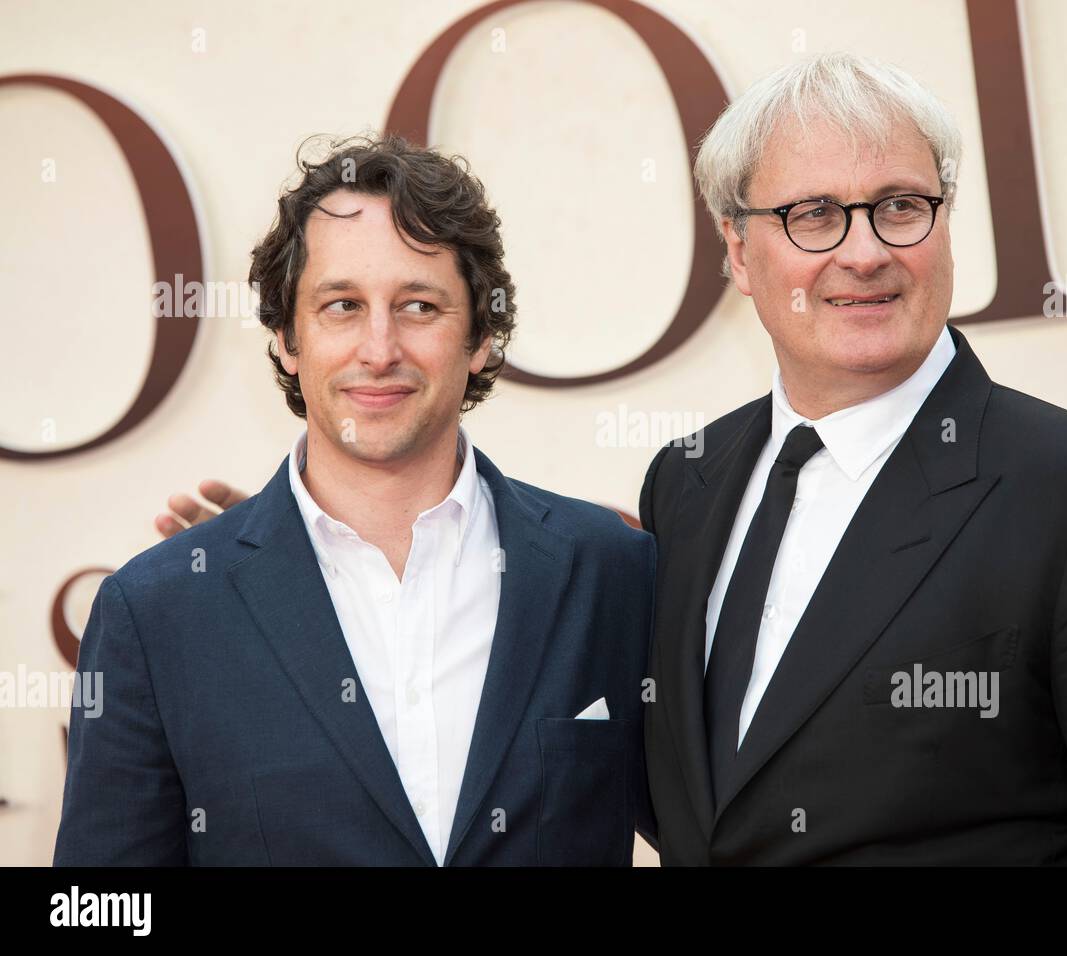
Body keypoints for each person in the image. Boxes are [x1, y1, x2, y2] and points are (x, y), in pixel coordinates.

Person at [638, 53, 1067, 865]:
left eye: (901, 207)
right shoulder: (687, 480)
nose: (865, 253)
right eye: (815, 215)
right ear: (737, 247)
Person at [54, 136, 655, 866]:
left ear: (481, 337)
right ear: (286, 338)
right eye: (342, 305)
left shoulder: (613, 573)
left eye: (419, 305)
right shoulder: (157, 613)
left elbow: (719, 831)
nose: (379, 348)